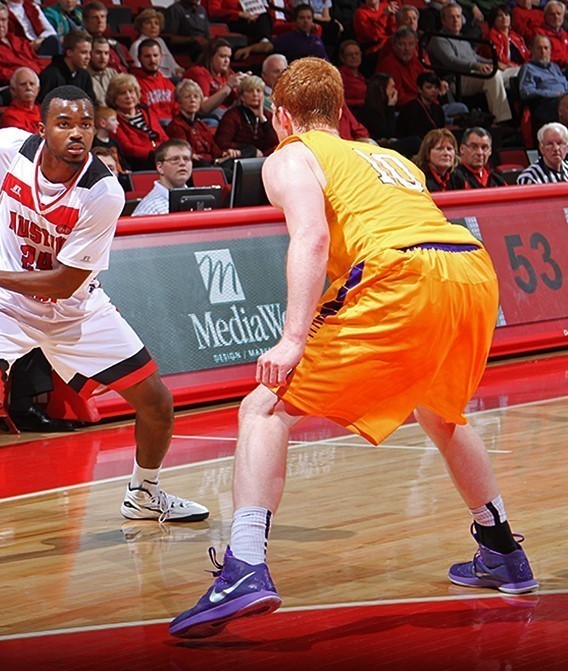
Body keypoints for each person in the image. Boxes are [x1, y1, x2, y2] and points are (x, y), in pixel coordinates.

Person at [169, 56, 538, 640]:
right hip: (469, 267)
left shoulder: (289, 155)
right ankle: (501, 550)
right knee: (439, 410)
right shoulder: (390, 157)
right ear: (340, 112)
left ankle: (244, 567)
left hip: (402, 272)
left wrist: (293, 339)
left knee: (261, 408)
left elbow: (313, 237)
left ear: (280, 115)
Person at [0, 85, 209, 576]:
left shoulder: (103, 191)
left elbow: (63, 283)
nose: (77, 133)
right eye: (64, 124)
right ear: (42, 128)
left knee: (158, 404)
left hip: (74, 310)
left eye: (85, 124)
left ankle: (144, 492)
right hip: (7, 305)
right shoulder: (11, 147)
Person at [427, 3, 512, 124]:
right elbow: (451, 61)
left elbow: (475, 57)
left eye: (458, 16)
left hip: (473, 73)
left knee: (514, 72)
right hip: (457, 79)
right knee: (492, 75)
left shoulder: (462, 38)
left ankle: (520, 118)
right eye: (451, 17)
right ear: (443, 21)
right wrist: (477, 66)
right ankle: (501, 120)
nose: (456, 20)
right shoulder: (438, 39)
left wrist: (495, 63)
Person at [167, 79, 239, 165]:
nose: (192, 100)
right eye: (187, 97)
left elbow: (214, 149)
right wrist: (214, 160)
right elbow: (189, 155)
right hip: (196, 166)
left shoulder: (201, 125)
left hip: (212, 163)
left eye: (196, 96)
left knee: (238, 158)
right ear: (179, 103)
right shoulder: (176, 126)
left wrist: (225, 153)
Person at [107, 73, 166, 170]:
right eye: (123, 93)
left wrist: (170, 150)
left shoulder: (146, 111)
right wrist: (154, 154)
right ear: (114, 98)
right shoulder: (114, 119)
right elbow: (128, 148)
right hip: (141, 161)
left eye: (131, 91)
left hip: (161, 155)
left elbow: (163, 136)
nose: (128, 96)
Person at [0, 2, 43, 87]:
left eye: (3, 20)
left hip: (38, 80)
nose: (0, 25)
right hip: (16, 86)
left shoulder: (20, 41)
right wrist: (24, 76)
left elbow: (38, 62)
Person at [216, 75, 279, 157]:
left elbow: (275, 142)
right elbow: (222, 142)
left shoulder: (268, 115)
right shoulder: (232, 115)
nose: (255, 94)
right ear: (241, 96)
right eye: (250, 91)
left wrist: (262, 118)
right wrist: (251, 150)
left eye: (258, 91)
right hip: (241, 157)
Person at [132, 138, 194, 215]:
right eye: (175, 159)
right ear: (160, 167)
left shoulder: (198, 202)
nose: (182, 163)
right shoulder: (148, 210)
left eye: (186, 159)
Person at [520, 34, 568, 129]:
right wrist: (554, 94)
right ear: (532, 50)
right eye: (539, 48)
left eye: (546, 48)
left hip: (563, 99)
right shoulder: (528, 68)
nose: (543, 52)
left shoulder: (555, 67)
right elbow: (526, 91)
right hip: (545, 104)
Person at [184, 38, 242, 116]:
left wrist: (246, 86)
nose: (227, 61)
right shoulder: (198, 73)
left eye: (229, 57)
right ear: (211, 57)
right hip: (208, 117)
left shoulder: (228, 73)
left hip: (227, 113)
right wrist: (228, 86)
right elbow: (204, 108)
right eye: (223, 56)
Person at [376, 27, 429, 106]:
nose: (406, 49)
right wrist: (424, 101)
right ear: (394, 46)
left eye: (410, 44)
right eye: (402, 44)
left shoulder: (416, 61)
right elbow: (399, 98)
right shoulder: (389, 64)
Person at [38, 29, 95, 104]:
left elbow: (91, 104)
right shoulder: (51, 75)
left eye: (89, 53)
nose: (88, 57)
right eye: (84, 52)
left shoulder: (84, 75)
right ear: (69, 53)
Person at [129, 8, 182, 78]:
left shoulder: (160, 41)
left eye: (156, 23)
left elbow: (173, 64)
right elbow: (137, 71)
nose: (153, 26)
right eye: (148, 23)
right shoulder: (137, 45)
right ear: (140, 26)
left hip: (168, 79)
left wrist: (178, 70)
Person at [81, 1, 132, 73]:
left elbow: (130, 65)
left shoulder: (115, 44)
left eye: (102, 17)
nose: (100, 21)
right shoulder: (80, 44)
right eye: (95, 17)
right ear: (85, 21)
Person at [396, 71, 448, 140]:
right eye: (429, 87)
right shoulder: (411, 108)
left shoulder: (438, 109)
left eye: (436, 87)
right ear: (420, 89)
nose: (433, 90)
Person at [134, 39, 175, 122]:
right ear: (139, 58)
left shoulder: (168, 83)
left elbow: (178, 108)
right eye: (147, 56)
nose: (152, 60)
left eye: (155, 55)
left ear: (161, 57)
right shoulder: (134, 84)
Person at [0, 67, 42, 133]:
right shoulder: (10, 116)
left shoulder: (44, 112)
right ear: (13, 90)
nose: (28, 88)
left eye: (32, 84)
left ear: (38, 89)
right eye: (23, 84)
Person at [532, 1, 568, 70]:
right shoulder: (539, 33)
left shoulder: (565, 34)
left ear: (563, 16)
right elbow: (541, 57)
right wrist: (564, 63)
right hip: (551, 70)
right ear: (545, 16)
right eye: (552, 14)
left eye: (559, 14)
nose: (556, 17)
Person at [87, 35, 115, 107]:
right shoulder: (83, 76)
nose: (103, 57)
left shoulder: (112, 73)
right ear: (90, 53)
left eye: (106, 53)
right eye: (98, 53)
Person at [339, 40, 367, 108]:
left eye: (357, 53)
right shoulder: (340, 76)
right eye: (349, 54)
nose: (354, 57)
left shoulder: (361, 77)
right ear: (343, 58)